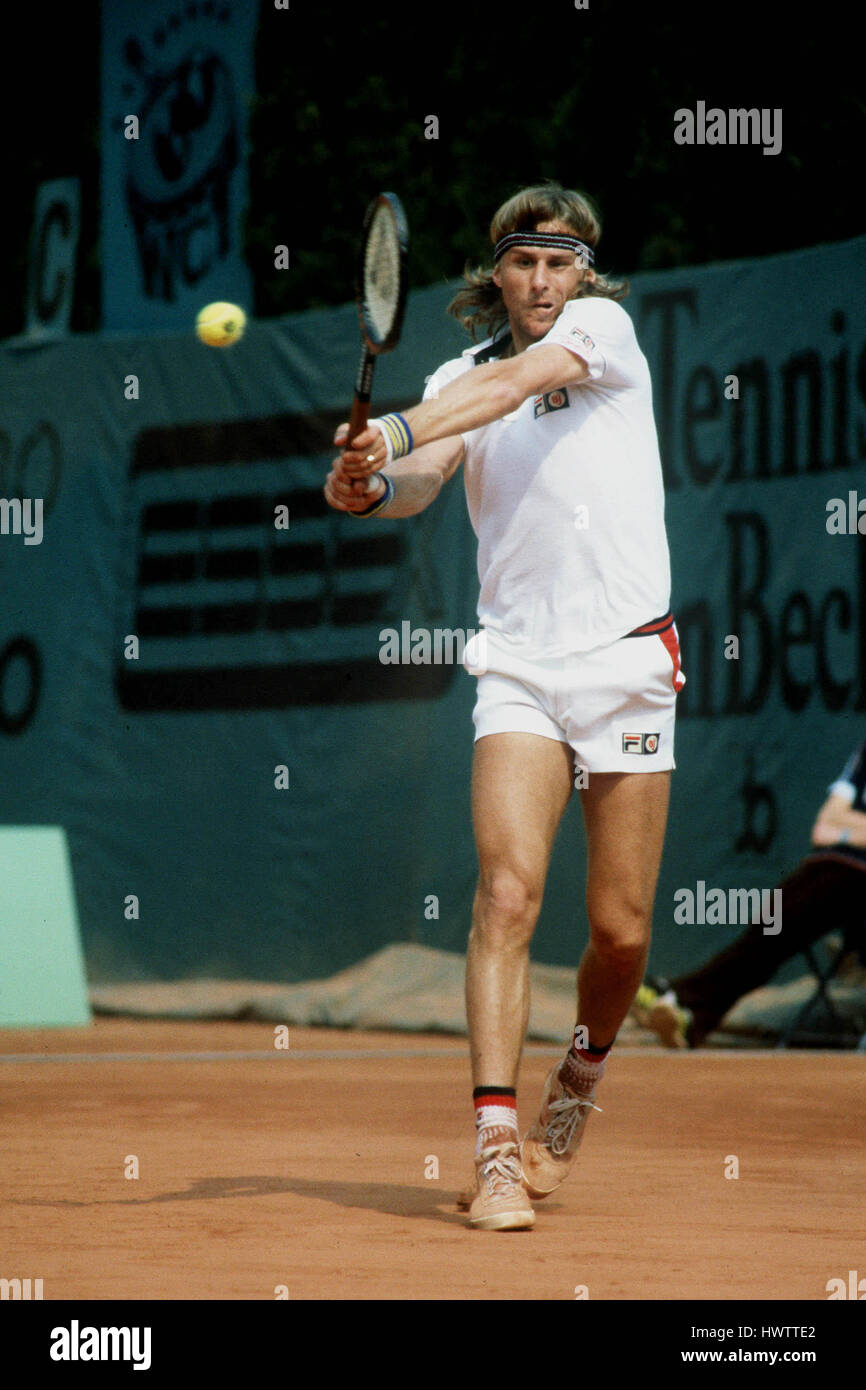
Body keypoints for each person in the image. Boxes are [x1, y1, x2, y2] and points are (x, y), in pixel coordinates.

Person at [325, 182, 685, 1230]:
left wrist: (386, 431)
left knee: (617, 936)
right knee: (506, 894)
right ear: (497, 272)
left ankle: (571, 1093)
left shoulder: (600, 333)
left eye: (559, 261)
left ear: (584, 273)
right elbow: (426, 469)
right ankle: (491, 1150)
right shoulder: (450, 379)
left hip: (624, 666)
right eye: (523, 262)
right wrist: (371, 482)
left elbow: (506, 390)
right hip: (518, 670)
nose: (541, 280)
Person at [632, 742, 866, 1048]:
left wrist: (846, 828)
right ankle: (689, 1012)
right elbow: (824, 828)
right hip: (832, 871)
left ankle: (684, 1001)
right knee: (777, 918)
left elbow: (836, 825)